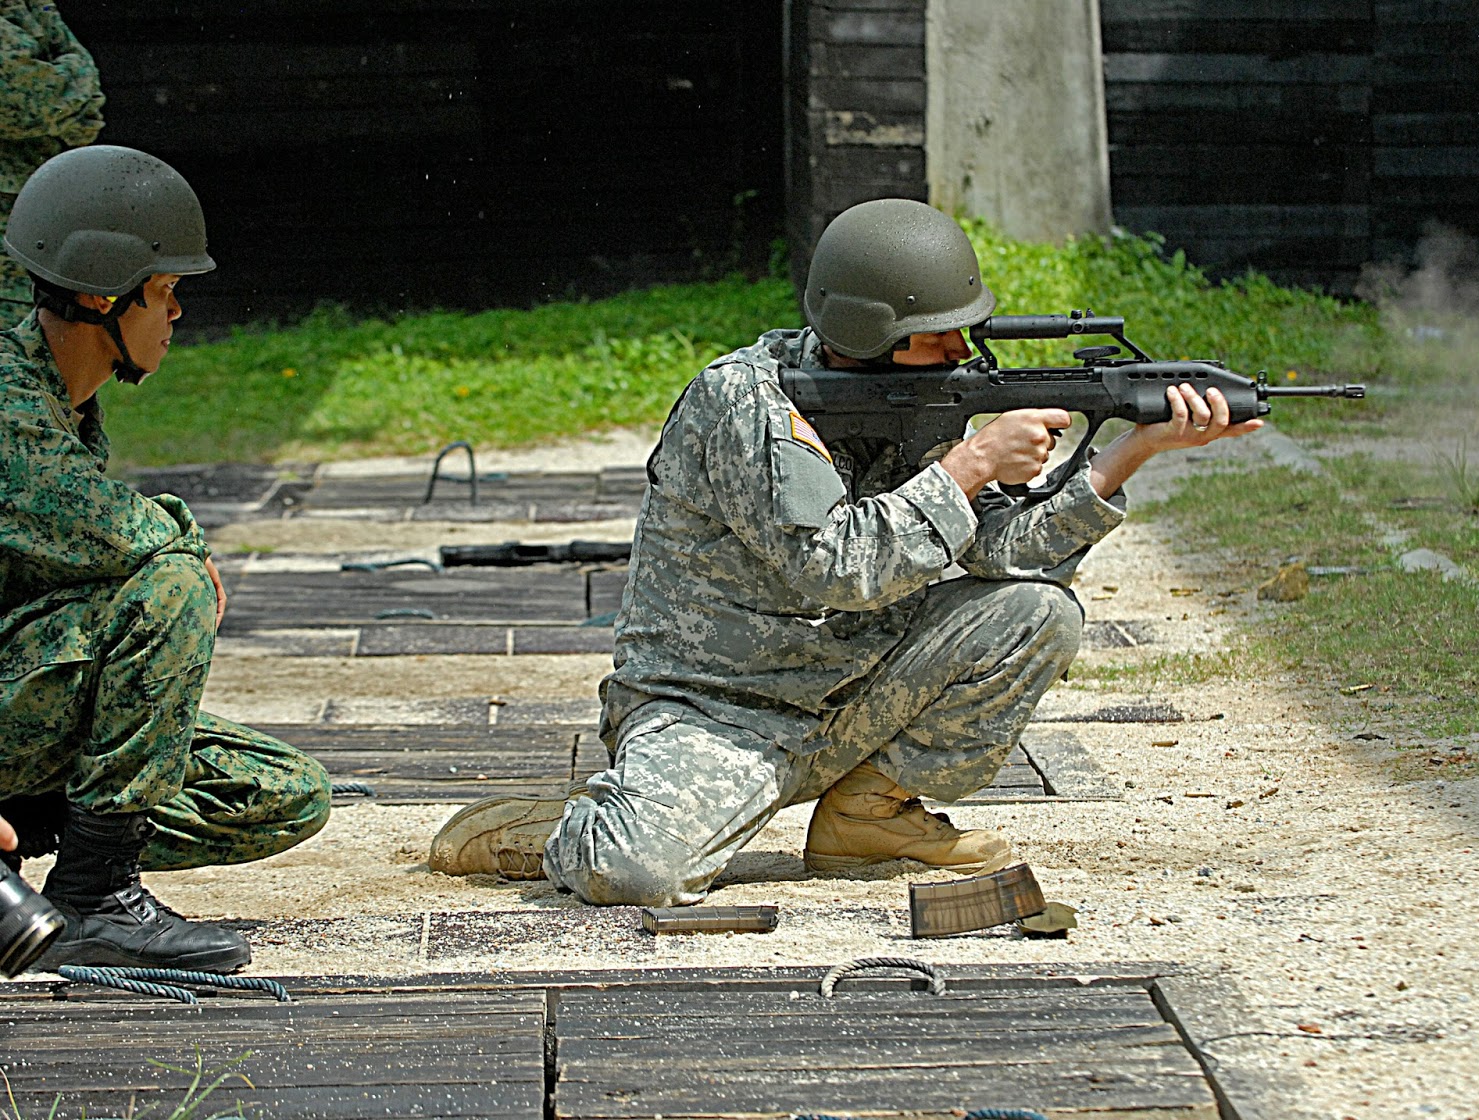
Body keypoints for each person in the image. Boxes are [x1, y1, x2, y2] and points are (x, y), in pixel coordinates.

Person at [430, 198, 1262, 905]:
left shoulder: (922, 398)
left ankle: (869, 815)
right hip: (721, 712)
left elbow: (1006, 556)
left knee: (1036, 612)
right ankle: (562, 830)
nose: (963, 355)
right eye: (939, 337)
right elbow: (833, 565)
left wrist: (1128, 454)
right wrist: (971, 464)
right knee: (641, 873)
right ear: (868, 332)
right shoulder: (746, 405)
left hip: (852, 695)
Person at [0, 145, 331, 972]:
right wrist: (183, 536)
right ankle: (97, 894)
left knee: (280, 792)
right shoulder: (8, 411)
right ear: (98, 294)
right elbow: (129, 541)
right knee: (171, 585)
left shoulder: (55, 397)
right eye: (164, 292)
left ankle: (41, 824)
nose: (177, 314)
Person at [0, 0, 106, 319]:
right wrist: (76, 93)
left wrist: (66, 93)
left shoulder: (31, 4)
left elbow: (83, 79)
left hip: (37, 217)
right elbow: (22, 100)